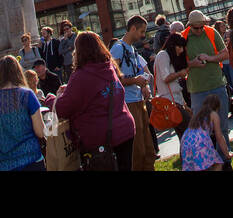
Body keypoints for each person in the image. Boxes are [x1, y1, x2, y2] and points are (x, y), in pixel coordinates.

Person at [54, 32, 136, 171]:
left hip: (101, 138)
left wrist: (58, 97)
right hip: (124, 128)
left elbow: (62, 109)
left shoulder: (81, 76)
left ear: (78, 51)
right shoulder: (110, 67)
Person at [0, 55, 46, 172]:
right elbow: (40, 132)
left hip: (3, 165)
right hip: (31, 161)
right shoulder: (27, 95)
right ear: (18, 71)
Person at [110, 15, 156, 171]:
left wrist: (144, 85)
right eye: (141, 31)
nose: (143, 35)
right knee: (137, 148)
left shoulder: (132, 49)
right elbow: (113, 78)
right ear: (133, 28)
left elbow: (137, 73)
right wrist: (135, 81)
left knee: (147, 144)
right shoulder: (118, 48)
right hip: (127, 103)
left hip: (138, 99)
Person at [182, 10, 231, 143]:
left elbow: (225, 54)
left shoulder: (211, 32)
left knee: (222, 128)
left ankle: (225, 160)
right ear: (189, 25)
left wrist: (209, 58)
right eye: (195, 28)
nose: (198, 30)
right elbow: (178, 65)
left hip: (217, 85)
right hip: (197, 90)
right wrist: (192, 63)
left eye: (201, 27)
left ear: (204, 23)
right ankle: (209, 161)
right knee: (202, 131)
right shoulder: (183, 38)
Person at [153, 32, 192, 146]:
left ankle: (187, 159)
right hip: (170, 101)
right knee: (188, 130)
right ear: (172, 45)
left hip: (176, 100)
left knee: (183, 135)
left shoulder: (166, 56)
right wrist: (180, 73)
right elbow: (166, 78)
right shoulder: (163, 55)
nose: (181, 50)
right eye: (179, 47)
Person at [180, 94, 230, 171]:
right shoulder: (213, 114)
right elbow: (219, 137)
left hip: (185, 143)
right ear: (217, 107)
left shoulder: (198, 114)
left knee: (194, 168)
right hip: (199, 143)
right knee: (218, 163)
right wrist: (227, 153)